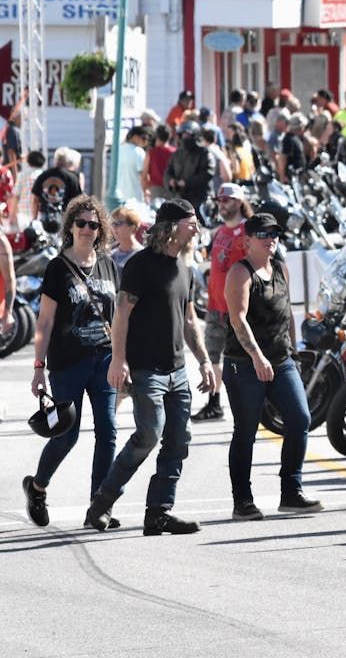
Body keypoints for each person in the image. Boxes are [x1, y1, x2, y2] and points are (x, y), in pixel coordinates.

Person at [85, 199, 215, 535]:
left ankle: (159, 512)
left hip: (177, 371)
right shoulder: (141, 265)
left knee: (177, 440)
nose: (198, 228)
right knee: (148, 435)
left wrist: (203, 361)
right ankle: (101, 504)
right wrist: (118, 360)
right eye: (192, 222)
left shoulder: (185, 267)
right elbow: (122, 315)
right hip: (146, 371)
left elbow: (189, 320)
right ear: (172, 226)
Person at [23, 195, 119, 529]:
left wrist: (123, 359)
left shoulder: (108, 265)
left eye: (94, 224)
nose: (87, 230)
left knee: (108, 431)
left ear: (100, 229)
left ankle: (99, 506)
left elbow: (117, 317)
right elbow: (45, 321)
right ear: (71, 226)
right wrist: (38, 367)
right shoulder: (57, 268)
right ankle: (37, 487)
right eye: (81, 223)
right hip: (68, 363)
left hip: (104, 359)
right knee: (66, 435)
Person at [224, 213, 322, 520]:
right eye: (263, 234)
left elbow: (287, 313)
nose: (271, 239)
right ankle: (243, 501)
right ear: (247, 240)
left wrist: (294, 351)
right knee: (246, 431)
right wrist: (256, 356)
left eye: (274, 233)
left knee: (299, 418)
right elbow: (237, 318)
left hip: (281, 361)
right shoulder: (240, 272)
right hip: (244, 364)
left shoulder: (281, 268)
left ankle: (291, 492)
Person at [192, 183, 251, 423]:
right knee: (213, 356)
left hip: (235, 308)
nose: (221, 205)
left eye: (226, 200)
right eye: (219, 200)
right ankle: (214, 404)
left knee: (242, 359)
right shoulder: (221, 232)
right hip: (216, 306)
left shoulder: (247, 231)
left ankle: (252, 403)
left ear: (238, 202)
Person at [163, 122, 216, 214]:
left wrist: (187, 183)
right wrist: (170, 181)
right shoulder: (176, 154)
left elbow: (208, 173)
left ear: (195, 136)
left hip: (200, 199)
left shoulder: (204, 153)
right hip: (180, 199)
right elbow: (168, 171)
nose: (184, 138)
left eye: (187, 135)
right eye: (182, 135)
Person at [31, 147, 83, 222]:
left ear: (54, 160)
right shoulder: (72, 178)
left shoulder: (43, 176)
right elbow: (78, 201)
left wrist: (34, 218)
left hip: (45, 216)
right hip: (65, 217)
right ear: (67, 161)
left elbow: (35, 199)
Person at [143, 124, 176, 200]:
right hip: (172, 189)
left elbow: (144, 175)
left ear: (156, 136)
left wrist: (145, 191)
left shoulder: (151, 153)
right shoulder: (175, 152)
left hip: (155, 189)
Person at [109, 205, 143, 279]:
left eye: (119, 223)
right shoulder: (111, 254)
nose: (114, 227)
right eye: (113, 223)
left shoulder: (143, 256)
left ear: (132, 227)